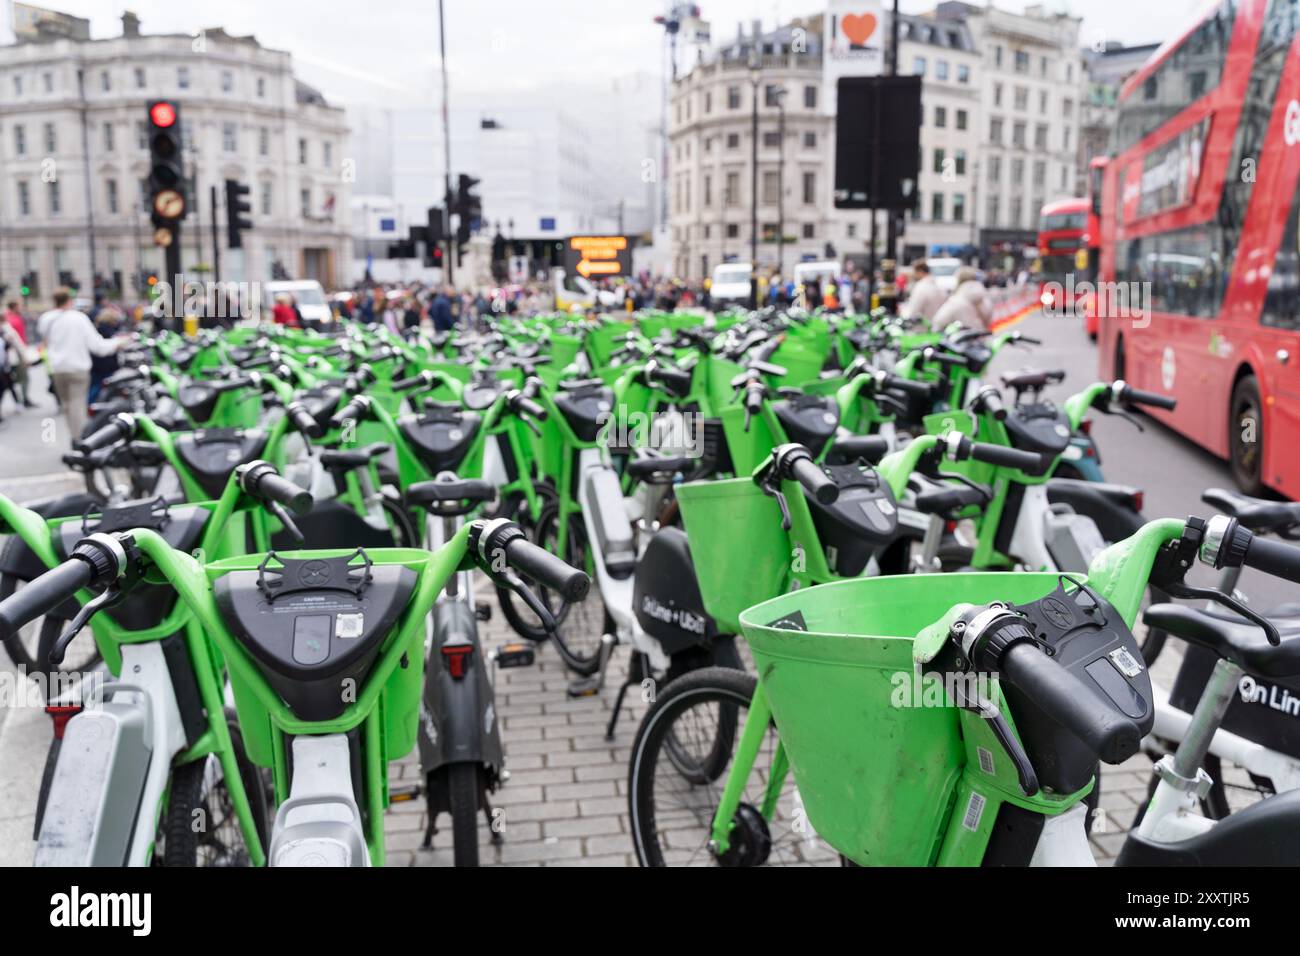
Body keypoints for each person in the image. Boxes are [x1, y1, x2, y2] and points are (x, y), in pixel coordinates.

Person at [37, 289, 128, 443]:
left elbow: (44, 340)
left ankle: (74, 435)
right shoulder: (78, 318)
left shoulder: (46, 318)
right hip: (78, 367)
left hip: (57, 368)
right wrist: (119, 342)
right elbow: (98, 346)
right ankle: (81, 439)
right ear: (69, 301)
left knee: (67, 405)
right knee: (78, 404)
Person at [930, 267, 993, 333]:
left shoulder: (957, 300)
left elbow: (939, 321)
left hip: (961, 338)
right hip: (984, 337)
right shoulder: (985, 298)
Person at [902, 260, 946, 325]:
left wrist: (903, 312)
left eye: (915, 272)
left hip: (922, 329)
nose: (914, 275)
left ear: (920, 272)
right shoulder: (938, 287)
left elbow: (913, 311)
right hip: (936, 327)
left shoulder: (921, 287)